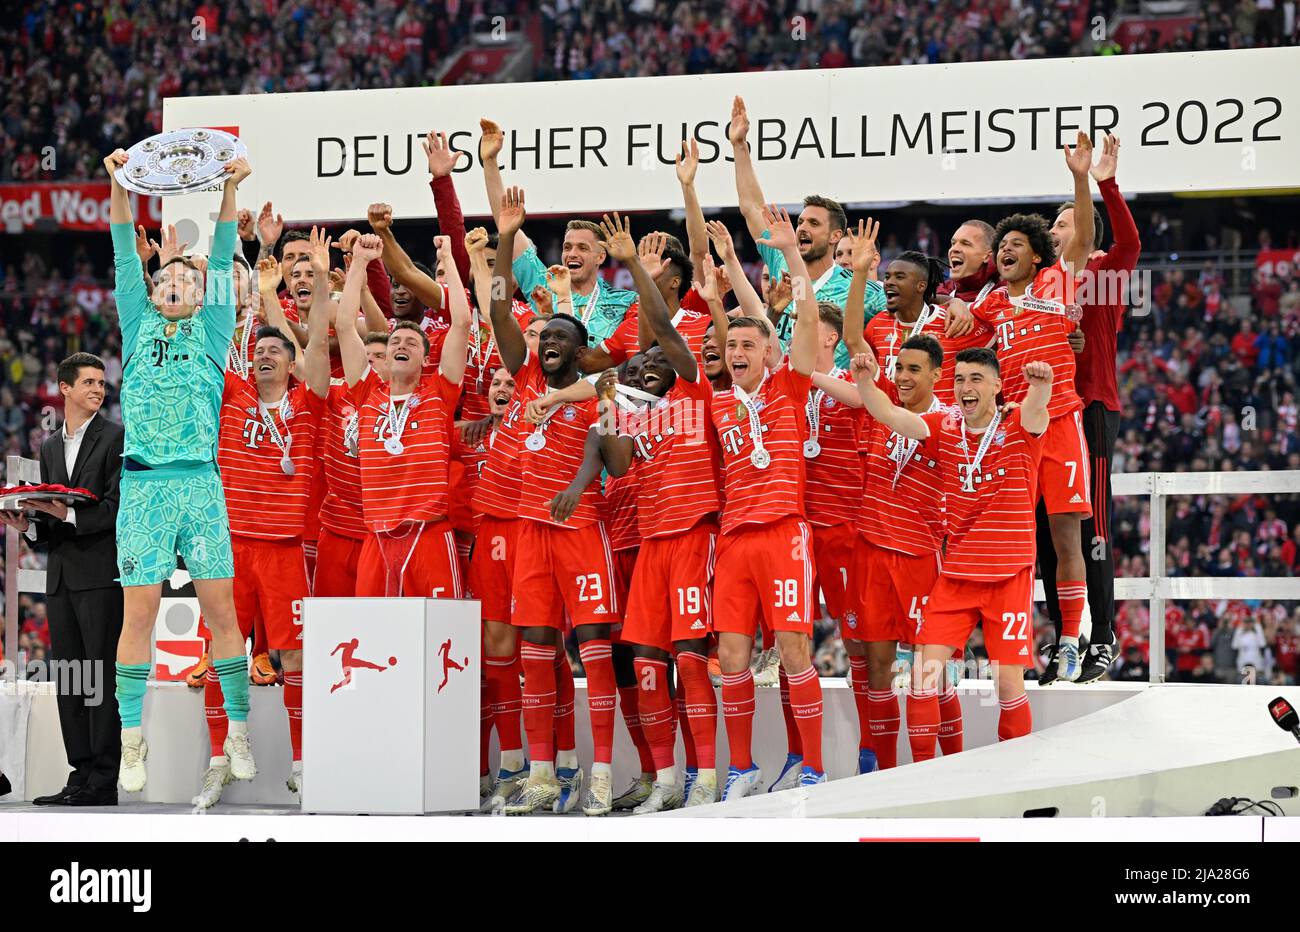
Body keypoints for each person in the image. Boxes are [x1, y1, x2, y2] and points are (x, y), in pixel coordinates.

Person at [101, 146, 256, 794]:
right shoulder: (136, 325)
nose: (175, 284)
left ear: (201, 295)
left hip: (200, 484)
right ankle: (130, 742)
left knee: (222, 610)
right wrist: (118, 184)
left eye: (187, 281)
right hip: (142, 488)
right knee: (138, 617)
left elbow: (221, 255)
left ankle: (240, 733)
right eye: (165, 277)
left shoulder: (215, 328)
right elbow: (119, 248)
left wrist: (227, 191)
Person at [489, 188, 632, 817]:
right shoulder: (523, 377)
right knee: (536, 658)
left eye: (558, 337)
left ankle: (600, 774)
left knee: (594, 653)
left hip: (581, 531)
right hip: (527, 533)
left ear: (579, 349)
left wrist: (577, 485)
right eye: (542, 336)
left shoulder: (599, 383)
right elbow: (499, 313)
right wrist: (504, 241)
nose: (545, 342)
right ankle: (544, 776)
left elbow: (607, 445)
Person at [854, 347, 1053, 759]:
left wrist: (1041, 386)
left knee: (1007, 683)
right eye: (960, 379)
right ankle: (924, 781)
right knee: (923, 676)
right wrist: (864, 383)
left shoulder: (1017, 424)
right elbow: (893, 417)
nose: (966, 387)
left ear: (997, 386)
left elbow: (1038, 413)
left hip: (1008, 574)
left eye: (976, 379)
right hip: (958, 575)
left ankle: (1014, 776)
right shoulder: (945, 427)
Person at [194, 229, 332, 810]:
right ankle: (220, 760)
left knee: (296, 658)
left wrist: (316, 281)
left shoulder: (309, 403)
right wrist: (215, 270)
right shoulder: (233, 396)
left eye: (276, 349)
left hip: (282, 550)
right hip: (229, 547)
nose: (264, 354)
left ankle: (303, 765)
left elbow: (323, 349)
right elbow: (212, 333)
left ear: (292, 360)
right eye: (259, 349)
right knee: (219, 656)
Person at [593, 214, 723, 812]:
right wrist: (609, 406)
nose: (647, 366)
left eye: (656, 361)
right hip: (651, 545)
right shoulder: (640, 410)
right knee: (647, 660)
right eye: (639, 364)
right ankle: (666, 779)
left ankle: (705, 776)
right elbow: (617, 466)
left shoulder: (696, 389)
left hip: (695, 536)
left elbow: (666, 332)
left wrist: (633, 268)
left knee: (691, 658)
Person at [710, 204, 826, 800]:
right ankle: (741, 767)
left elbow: (805, 319)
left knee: (792, 647)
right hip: (733, 538)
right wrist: (726, 267)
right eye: (729, 345)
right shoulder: (714, 403)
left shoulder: (789, 383)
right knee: (732, 655)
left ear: (767, 353)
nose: (735, 352)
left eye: (746, 345)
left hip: (784, 531)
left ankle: (812, 766)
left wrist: (787, 254)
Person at [971, 132, 1096, 683]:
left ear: (1038, 254)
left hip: (1062, 421)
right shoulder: (990, 302)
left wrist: (1079, 177)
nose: (1007, 250)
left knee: (1066, 538)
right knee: (1018, 537)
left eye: (1018, 243)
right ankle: (1016, 643)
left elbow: (1086, 235)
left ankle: (1071, 640)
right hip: (1014, 430)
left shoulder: (1056, 278)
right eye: (1003, 244)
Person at [1037, 133, 1141, 684]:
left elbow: (1130, 240)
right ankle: (1065, 642)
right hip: (1044, 416)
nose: (1053, 231)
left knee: (1091, 529)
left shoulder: (1104, 271)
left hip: (1092, 406)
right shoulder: (1039, 284)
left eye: (1060, 223)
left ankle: (1103, 638)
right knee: (1048, 538)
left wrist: (1105, 181)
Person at [2, 354, 124, 806]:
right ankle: (79, 775)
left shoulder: (116, 438)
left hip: (100, 576)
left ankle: (103, 781)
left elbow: (115, 509)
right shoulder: (50, 447)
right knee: (72, 679)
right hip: (62, 579)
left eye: (101, 382)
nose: (98, 389)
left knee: (101, 676)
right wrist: (28, 527)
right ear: (64, 388)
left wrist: (69, 512)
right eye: (89, 382)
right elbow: (53, 522)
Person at [478, 119, 638, 347]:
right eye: (567, 247)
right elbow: (506, 224)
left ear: (600, 257)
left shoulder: (624, 301)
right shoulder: (543, 284)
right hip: (544, 381)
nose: (572, 253)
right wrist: (490, 162)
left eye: (583, 248)